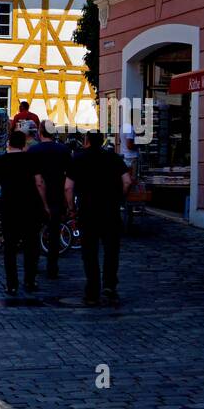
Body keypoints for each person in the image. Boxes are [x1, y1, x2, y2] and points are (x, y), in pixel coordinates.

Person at [65, 130, 132, 306]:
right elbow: (127, 181)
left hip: (87, 211)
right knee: (111, 250)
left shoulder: (78, 159)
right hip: (110, 210)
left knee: (89, 252)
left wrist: (72, 209)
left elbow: (68, 188)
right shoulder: (114, 158)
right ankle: (110, 285)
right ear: (102, 141)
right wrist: (120, 198)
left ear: (86, 141)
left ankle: (92, 289)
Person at [0, 130, 49, 297]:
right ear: (24, 144)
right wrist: (45, 205)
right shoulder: (31, 159)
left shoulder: (1, 161)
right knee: (31, 246)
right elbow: (39, 183)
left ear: (9, 143)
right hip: (31, 207)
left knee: (10, 247)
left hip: (9, 207)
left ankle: (11, 284)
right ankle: (30, 280)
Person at [27, 121, 73, 280]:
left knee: (33, 233)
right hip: (57, 195)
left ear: (40, 132)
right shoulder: (64, 150)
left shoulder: (33, 150)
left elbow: (30, 177)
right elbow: (69, 177)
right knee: (54, 234)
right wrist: (69, 201)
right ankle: (52, 267)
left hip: (35, 197)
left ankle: (32, 266)